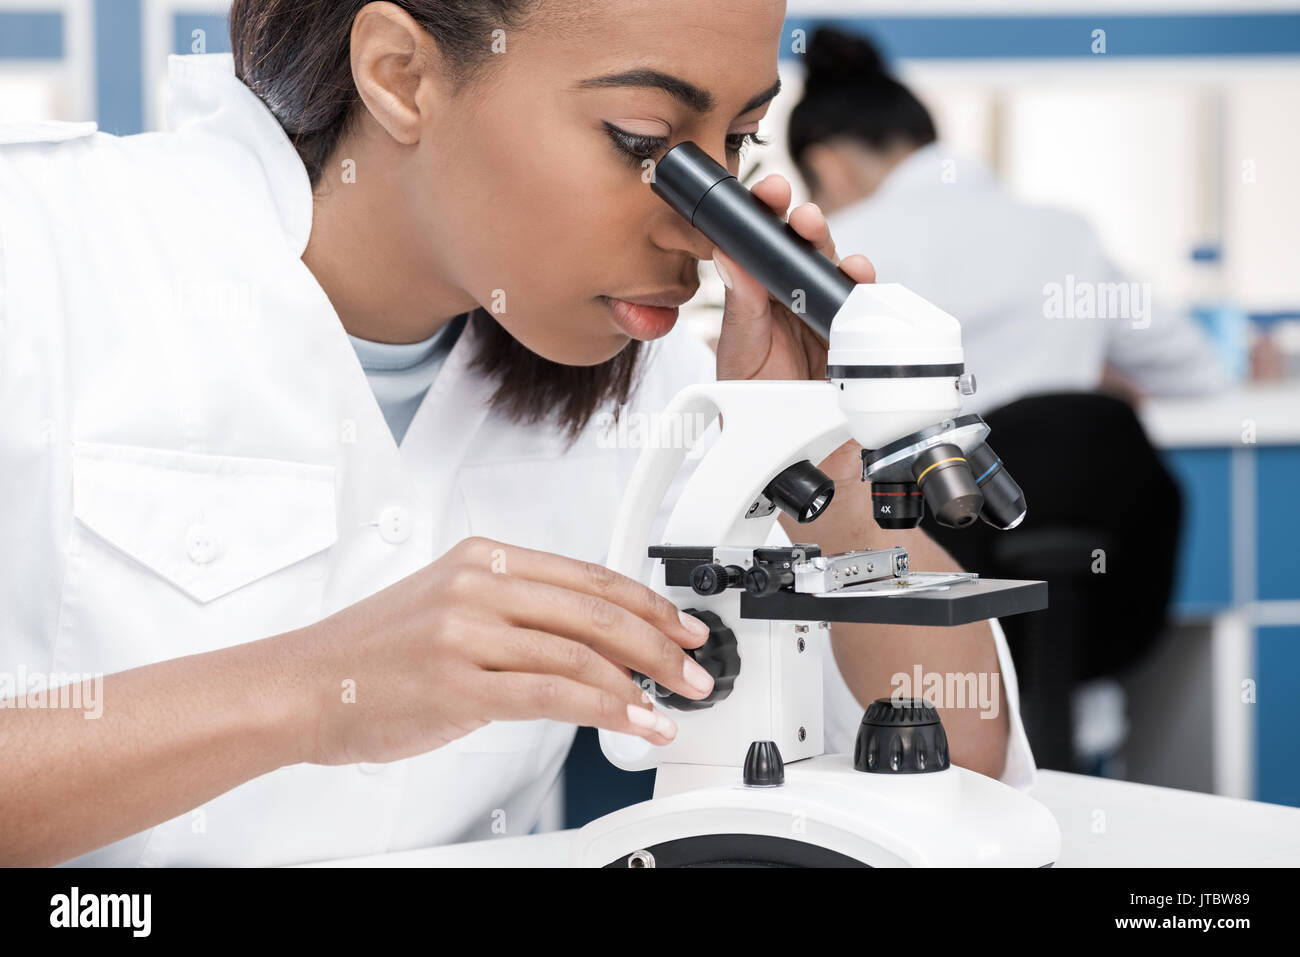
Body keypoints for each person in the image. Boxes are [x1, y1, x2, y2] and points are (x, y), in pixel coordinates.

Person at [0, 0, 1033, 867]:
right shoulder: (40, 251)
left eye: (738, 144)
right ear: (400, 75)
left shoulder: (661, 385)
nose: (697, 226)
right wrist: (314, 689)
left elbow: (961, 761)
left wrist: (818, 462)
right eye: (642, 142)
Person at [788, 27, 1229, 416]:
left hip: (940, 486)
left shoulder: (851, 243)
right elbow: (1197, 372)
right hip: (1081, 479)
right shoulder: (1068, 232)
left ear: (828, 166)